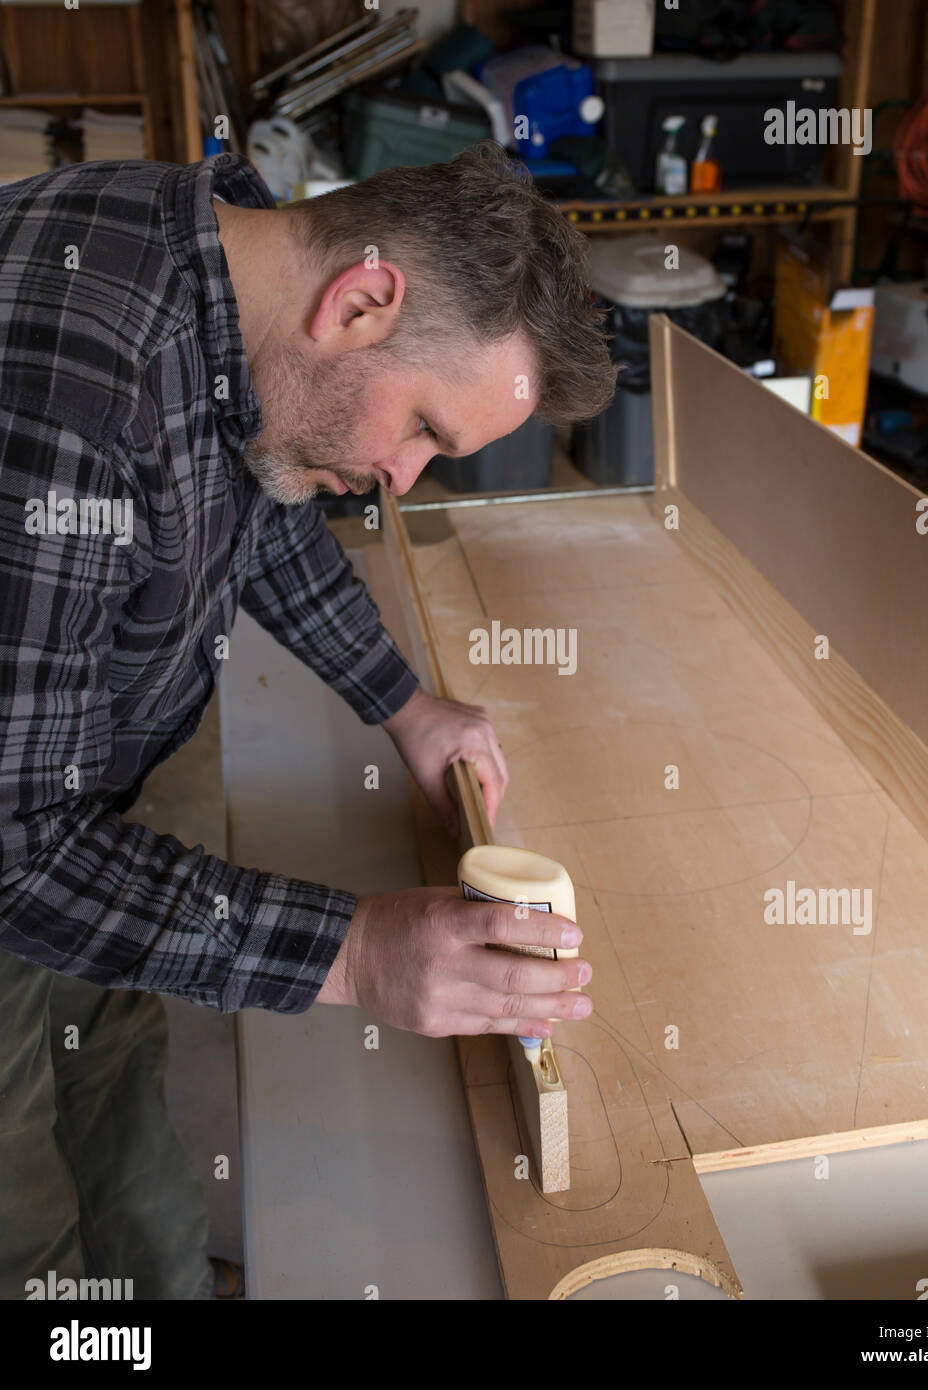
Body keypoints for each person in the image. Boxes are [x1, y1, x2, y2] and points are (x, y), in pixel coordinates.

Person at [0, 143, 616, 1299]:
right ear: (363, 303)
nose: (404, 477)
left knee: (109, 1064)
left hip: (71, 797)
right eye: (425, 427)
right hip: (22, 836)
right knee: (17, 1206)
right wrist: (356, 951)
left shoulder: (232, 278)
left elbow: (267, 495)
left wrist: (404, 705)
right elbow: (18, 852)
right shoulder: (77, 387)